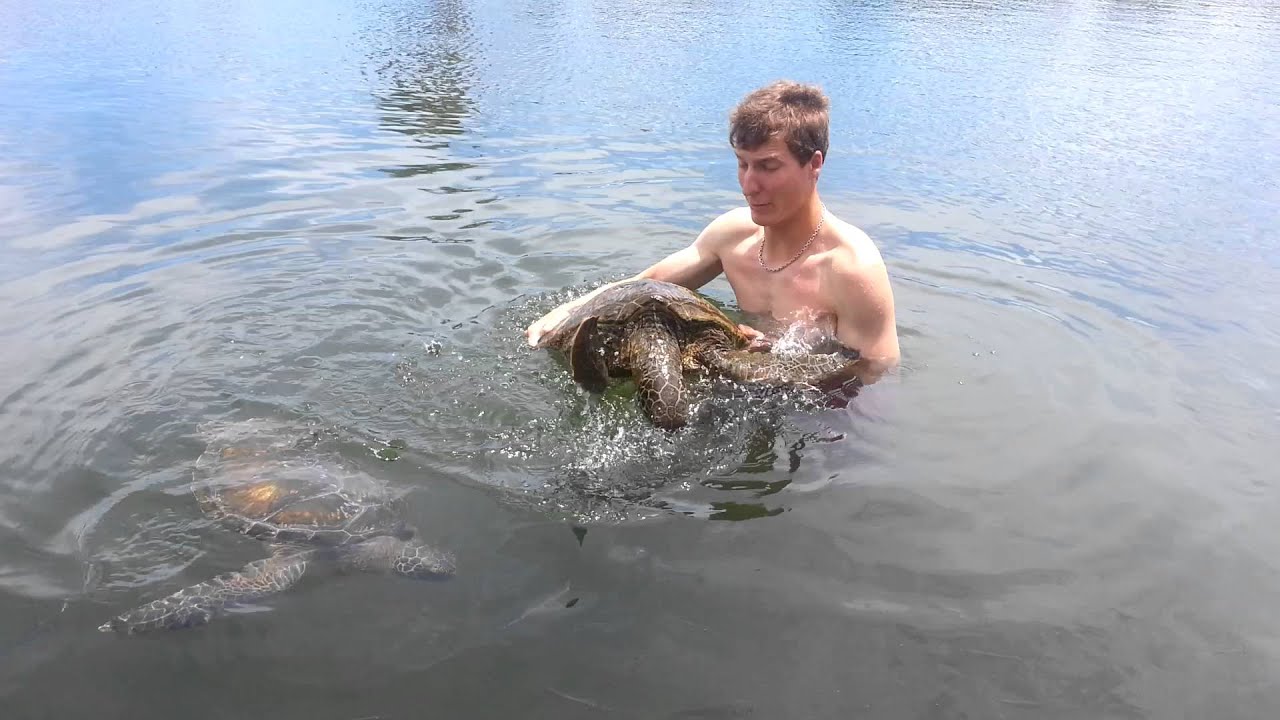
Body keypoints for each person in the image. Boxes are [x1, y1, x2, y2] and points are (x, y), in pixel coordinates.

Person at [526, 80, 900, 386]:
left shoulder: (851, 267)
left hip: (816, 418)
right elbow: (646, 285)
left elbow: (874, 372)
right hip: (731, 377)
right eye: (742, 164)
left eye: (768, 167)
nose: (749, 185)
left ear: (813, 164)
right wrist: (571, 310)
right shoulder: (732, 235)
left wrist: (774, 361)